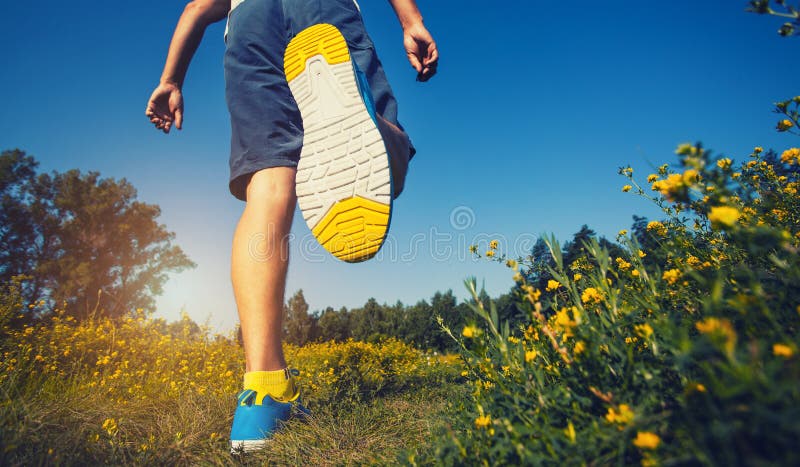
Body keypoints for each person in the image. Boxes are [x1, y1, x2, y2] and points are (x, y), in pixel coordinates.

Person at [145, 0, 438, 453]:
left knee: (268, 187)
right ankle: (370, 127)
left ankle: (263, 393)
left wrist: (170, 80)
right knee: (389, 163)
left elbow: (196, 9)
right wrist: (411, 20)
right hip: (321, 9)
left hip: (249, 20)